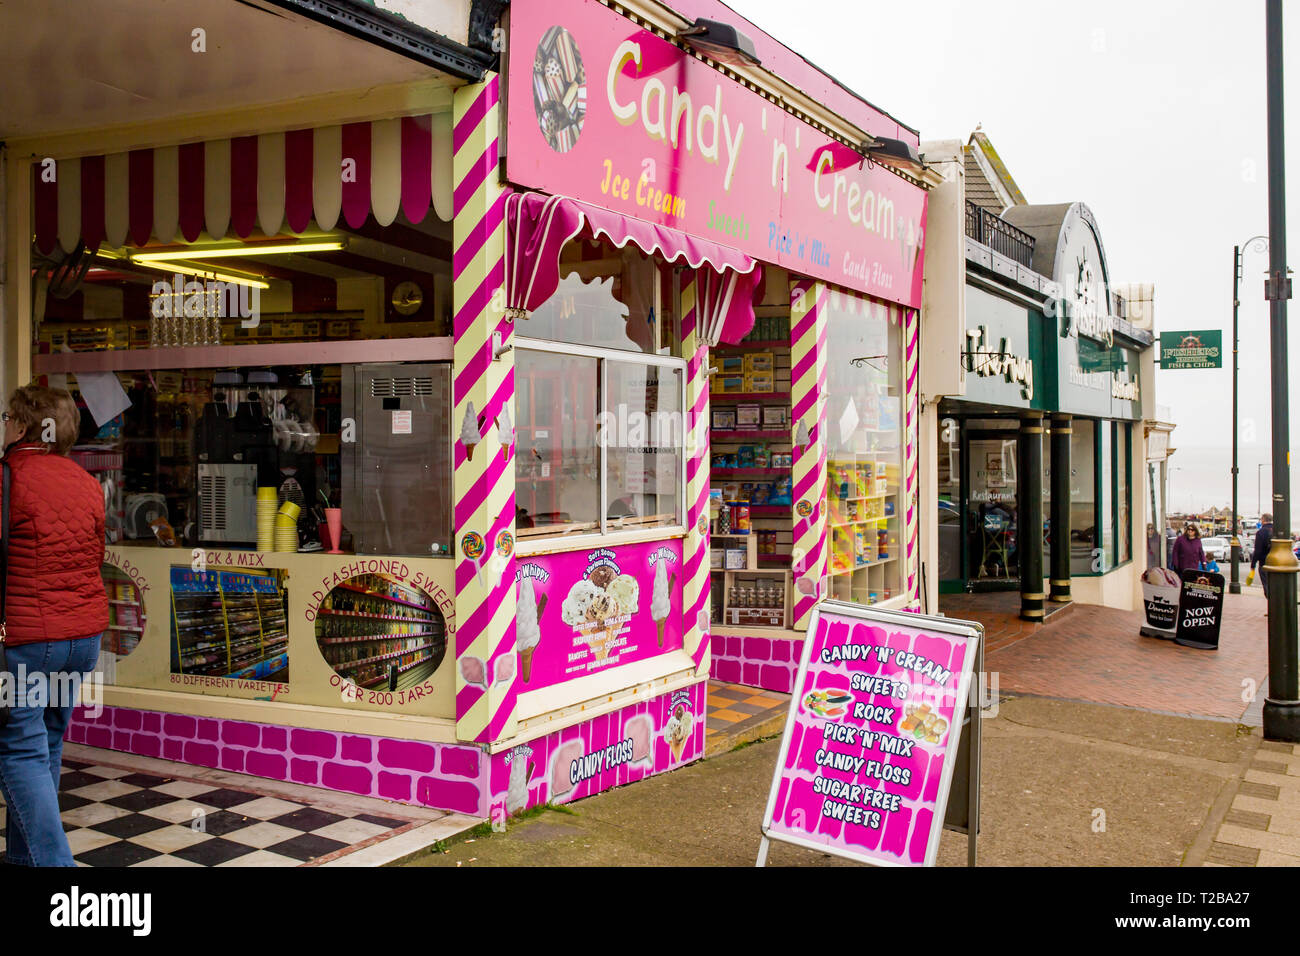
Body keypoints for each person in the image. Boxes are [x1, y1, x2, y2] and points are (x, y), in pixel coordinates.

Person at [0, 385, 108, 866]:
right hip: (83, 638)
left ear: (23, 426)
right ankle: (27, 862)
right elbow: (95, 554)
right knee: (44, 744)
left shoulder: (8, 476)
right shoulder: (85, 480)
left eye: (7, 417)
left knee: (20, 753)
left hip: (26, 640)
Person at [1252, 512, 1274, 599]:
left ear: (1263, 520)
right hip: (1276, 562)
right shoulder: (1276, 530)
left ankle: (1271, 608)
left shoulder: (1261, 532)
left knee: (1267, 586)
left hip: (1264, 563)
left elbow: (1257, 550)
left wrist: (1253, 564)